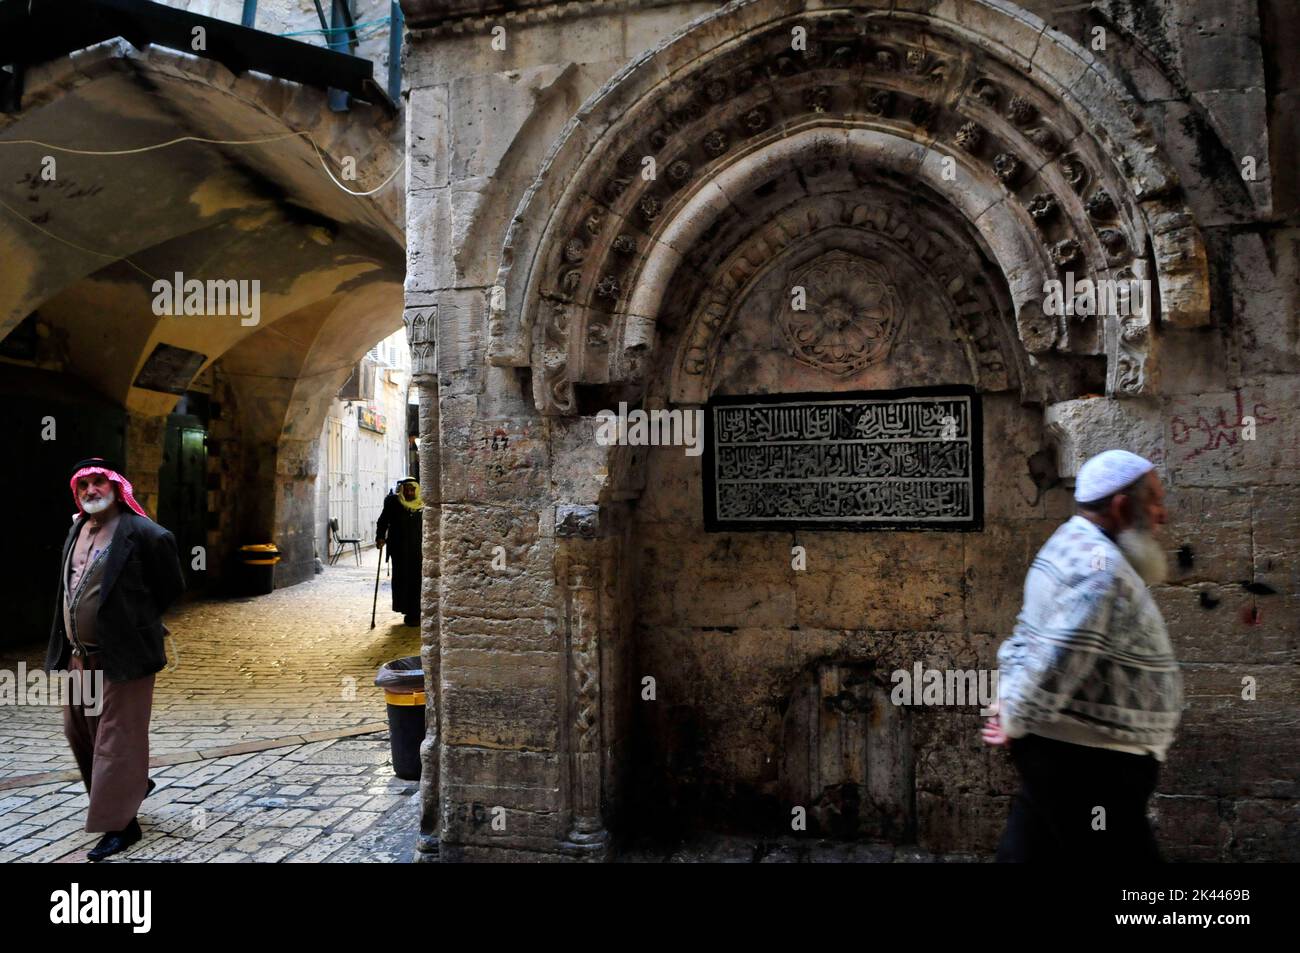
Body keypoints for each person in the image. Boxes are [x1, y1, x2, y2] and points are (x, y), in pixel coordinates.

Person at [984, 449, 1183, 862]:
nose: (1162, 515)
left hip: (1068, 755)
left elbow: (1027, 634)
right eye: (1155, 502)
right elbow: (1058, 661)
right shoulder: (1100, 572)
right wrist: (1016, 715)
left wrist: (1013, 705)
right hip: (1092, 766)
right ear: (1123, 506)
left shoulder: (1068, 543)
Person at [45, 457, 186, 861]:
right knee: (79, 732)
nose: (91, 490)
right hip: (80, 657)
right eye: (83, 485)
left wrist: (135, 623)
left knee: (116, 740)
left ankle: (121, 825)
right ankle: (131, 786)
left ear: (115, 486)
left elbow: (169, 587)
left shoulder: (144, 533)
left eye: (98, 483)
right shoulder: (76, 528)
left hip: (124, 659)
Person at [376, 477, 423, 627]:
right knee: (403, 580)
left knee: (418, 580)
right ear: (402, 489)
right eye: (407, 489)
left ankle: (416, 612)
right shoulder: (393, 503)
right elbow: (382, 521)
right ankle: (407, 610)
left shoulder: (423, 504)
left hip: (418, 550)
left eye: (412, 489)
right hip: (399, 550)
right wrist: (380, 537)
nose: (410, 492)